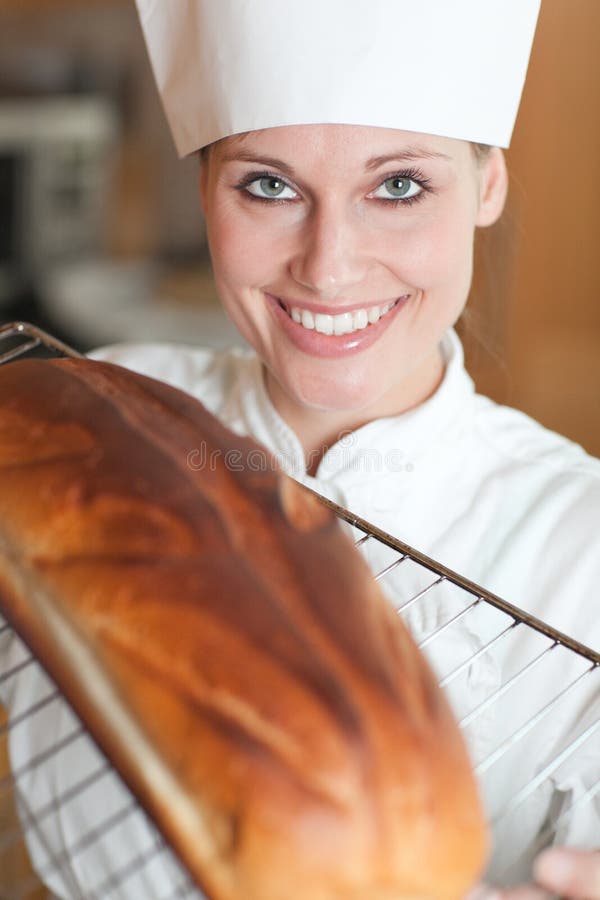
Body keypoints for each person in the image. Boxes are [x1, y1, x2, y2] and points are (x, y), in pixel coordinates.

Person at [0, 0, 598, 897]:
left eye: (398, 186)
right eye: (268, 186)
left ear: (487, 186)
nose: (328, 266)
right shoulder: (98, 411)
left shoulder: (578, 540)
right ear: (204, 188)